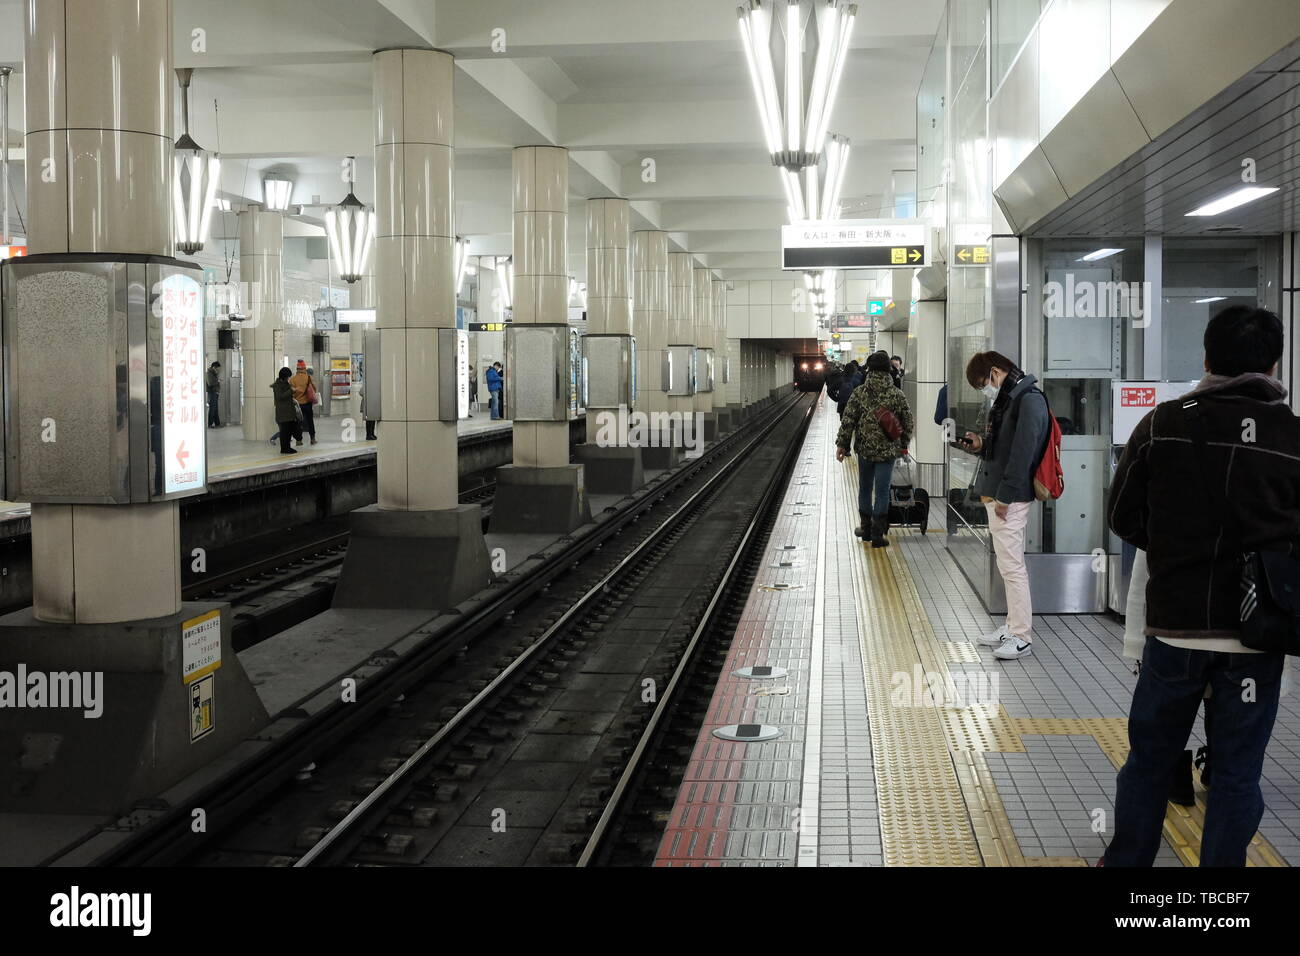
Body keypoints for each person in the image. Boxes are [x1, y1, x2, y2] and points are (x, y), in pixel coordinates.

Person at [1102, 305, 1299, 867]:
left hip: (1176, 633)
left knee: (1150, 763)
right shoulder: (1292, 436)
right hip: (1255, 639)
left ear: (1207, 357)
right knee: (1238, 775)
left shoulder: (1165, 423)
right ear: (1274, 362)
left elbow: (1121, 514)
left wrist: (1172, 548)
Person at [962, 350, 1049, 661]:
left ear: (996, 372)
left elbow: (1023, 453)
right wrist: (981, 445)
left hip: (1009, 497)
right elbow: (1005, 446)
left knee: (1013, 568)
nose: (986, 390)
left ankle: (1022, 636)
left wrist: (1005, 497)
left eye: (984, 383)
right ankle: (1012, 626)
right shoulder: (1010, 399)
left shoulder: (1029, 400)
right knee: (1007, 565)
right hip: (998, 493)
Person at [835, 351, 913, 548]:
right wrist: (903, 444)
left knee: (865, 488)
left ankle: (866, 529)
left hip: (865, 451)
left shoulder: (859, 393)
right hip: (887, 453)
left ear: (868, 368)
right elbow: (907, 422)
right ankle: (878, 535)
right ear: (888, 369)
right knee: (882, 492)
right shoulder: (896, 393)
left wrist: (842, 445)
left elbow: (848, 420)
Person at [271, 367, 300, 454]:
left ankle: (287, 447)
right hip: (283, 412)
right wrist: (291, 390)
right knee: (284, 432)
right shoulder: (277, 385)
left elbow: (287, 394)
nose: (289, 378)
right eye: (288, 376)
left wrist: (293, 391)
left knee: (288, 431)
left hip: (289, 411)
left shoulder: (285, 383)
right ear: (284, 376)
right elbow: (280, 397)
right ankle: (284, 449)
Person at [289, 359, 318, 445]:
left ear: (297, 369)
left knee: (298, 422)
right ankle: (312, 439)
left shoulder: (292, 379)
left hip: (298, 404)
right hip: (308, 403)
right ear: (304, 368)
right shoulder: (308, 377)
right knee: (310, 421)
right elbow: (314, 389)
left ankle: (299, 440)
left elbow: (291, 392)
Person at [206, 360, 222, 428]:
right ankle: (210, 424)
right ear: (214, 367)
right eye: (217, 368)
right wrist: (217, 381)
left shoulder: (213, 373)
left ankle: (217, 423)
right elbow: (210, 383)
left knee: (215, 409)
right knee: (212, 408)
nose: (218, 370)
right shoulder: (209, 373)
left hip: (215, 392)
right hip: (212, 392)